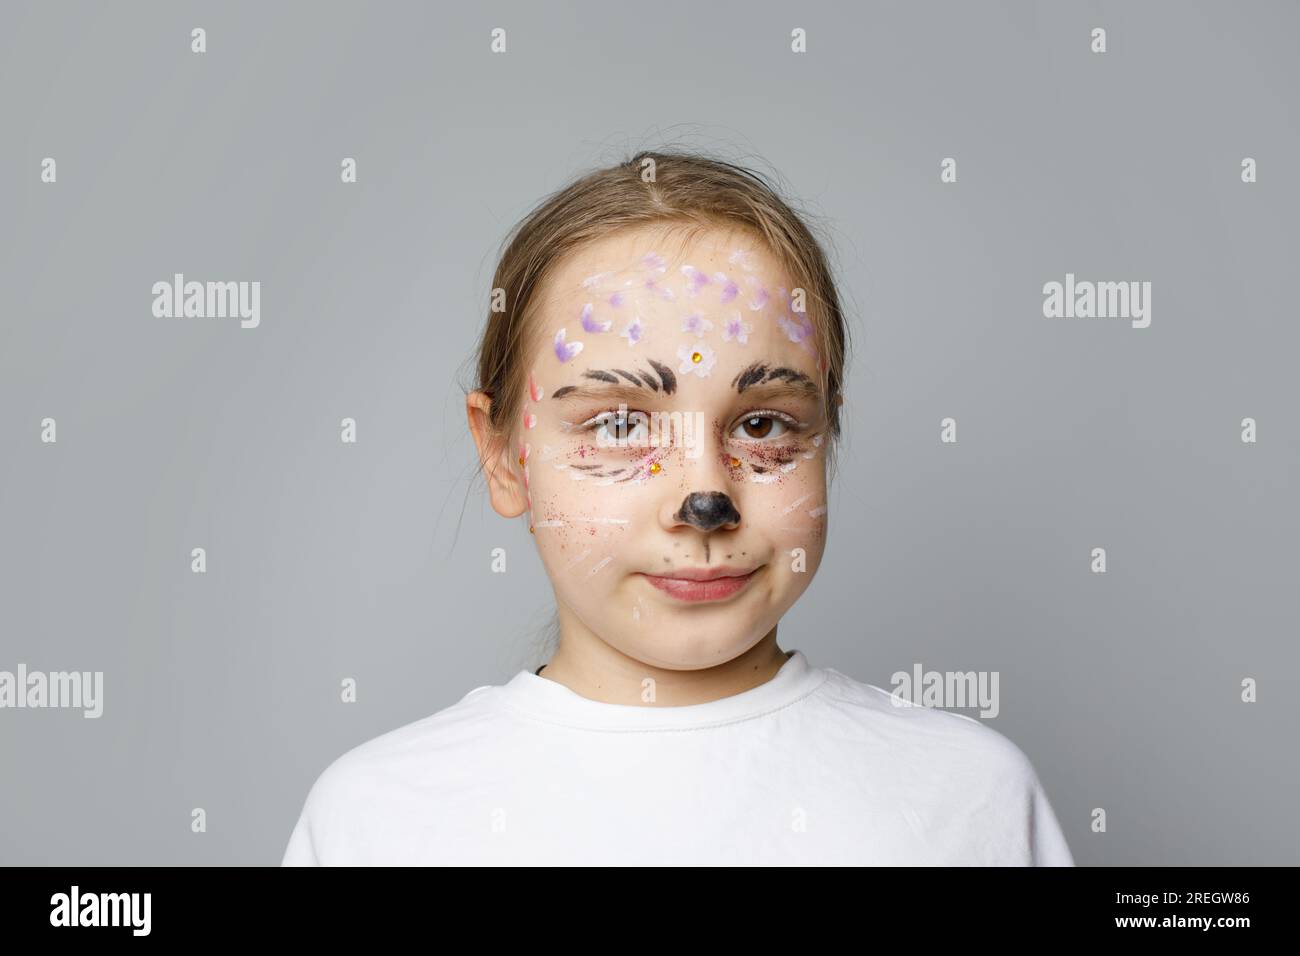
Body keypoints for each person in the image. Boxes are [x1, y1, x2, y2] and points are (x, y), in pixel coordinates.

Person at [280, 149, 1074, 865]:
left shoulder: (968, 799)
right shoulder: (380, 820)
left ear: (825, 431)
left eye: (763, 425)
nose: (706, 500)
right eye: (620, 425)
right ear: (502, 454)